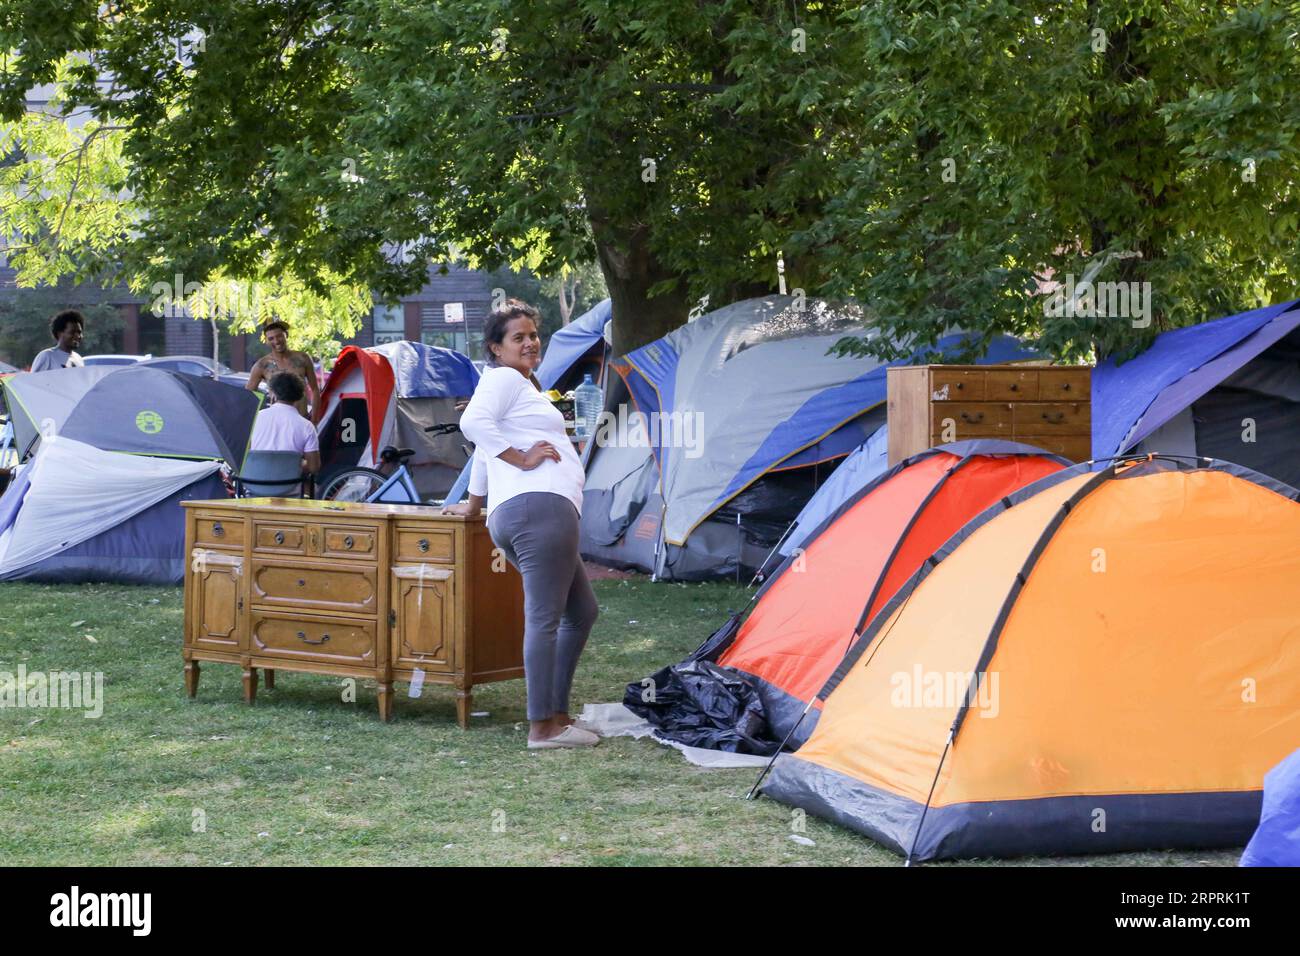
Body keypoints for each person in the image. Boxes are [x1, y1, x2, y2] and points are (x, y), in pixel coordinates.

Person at [444, 299, 599, 750]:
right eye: (519, 337)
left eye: (533, 335)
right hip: (540, 510)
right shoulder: (506, 379)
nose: (530, 342)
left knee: (581, 611)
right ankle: (542, 727)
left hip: (526, 512)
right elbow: (473, 423)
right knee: (545, 618)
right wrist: (523, 457)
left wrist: (473, 506)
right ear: (496, 348)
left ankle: (557, 716)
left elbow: (483, 450)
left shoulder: (519, 387)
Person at [248, 371, 321, 488]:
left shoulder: (255, 418)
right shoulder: (307, 426)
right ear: (299, 396)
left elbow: (245, 453)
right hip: (289, 490)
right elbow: (314, 467)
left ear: (272, 392)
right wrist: (293, 465)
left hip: (254, 487)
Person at [246, 321, 318, 418]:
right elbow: (248, 395)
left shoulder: (303, 358)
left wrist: (315, 419)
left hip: (301, 419)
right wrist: (261, 418)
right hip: (277, 421)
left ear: (286, 335)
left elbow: (315, 390)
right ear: (266, 341)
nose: (276, 341)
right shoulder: (261, 365)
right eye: (271, 338)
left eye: (279, 336)